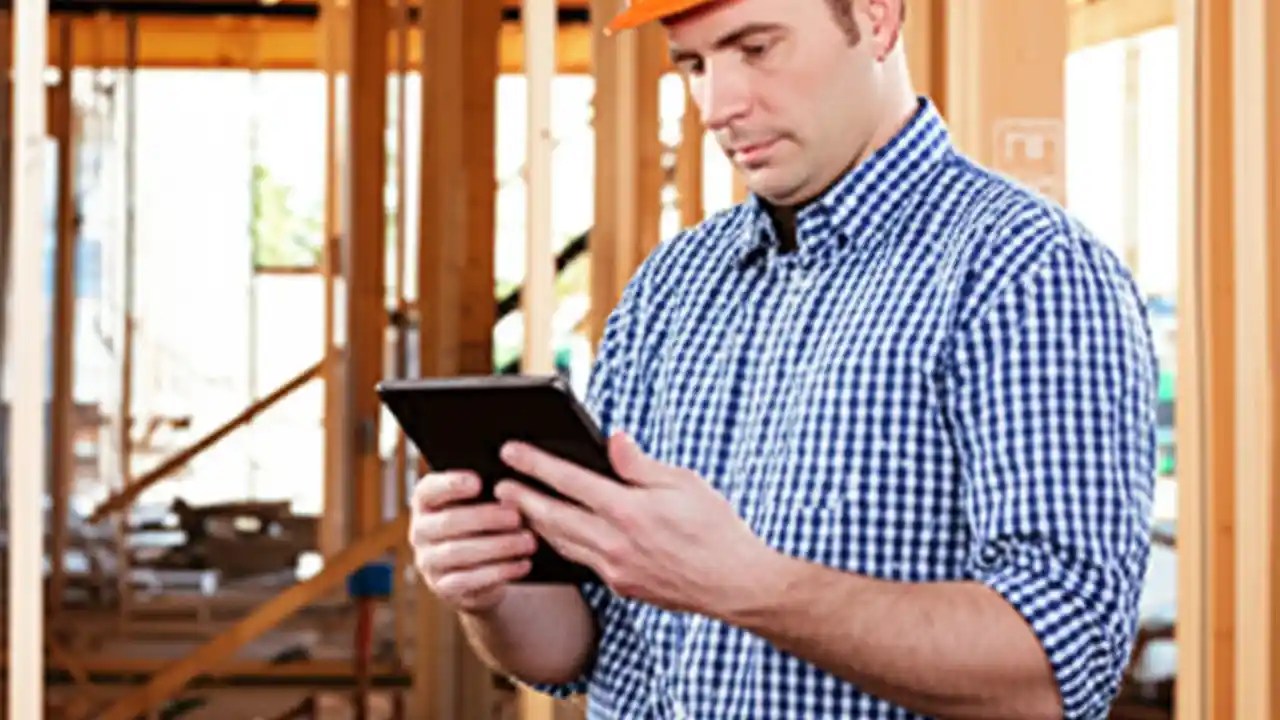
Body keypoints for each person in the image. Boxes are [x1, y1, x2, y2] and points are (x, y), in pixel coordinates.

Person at [408, 0, 1158, 718]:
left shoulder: (1026, 270)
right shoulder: (672, 285)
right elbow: (578, 649)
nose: (718, 104)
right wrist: (495, 585)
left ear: (875, 16)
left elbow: (1060, 671)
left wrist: (746, 585)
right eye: (694, 64)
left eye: (757, 49)